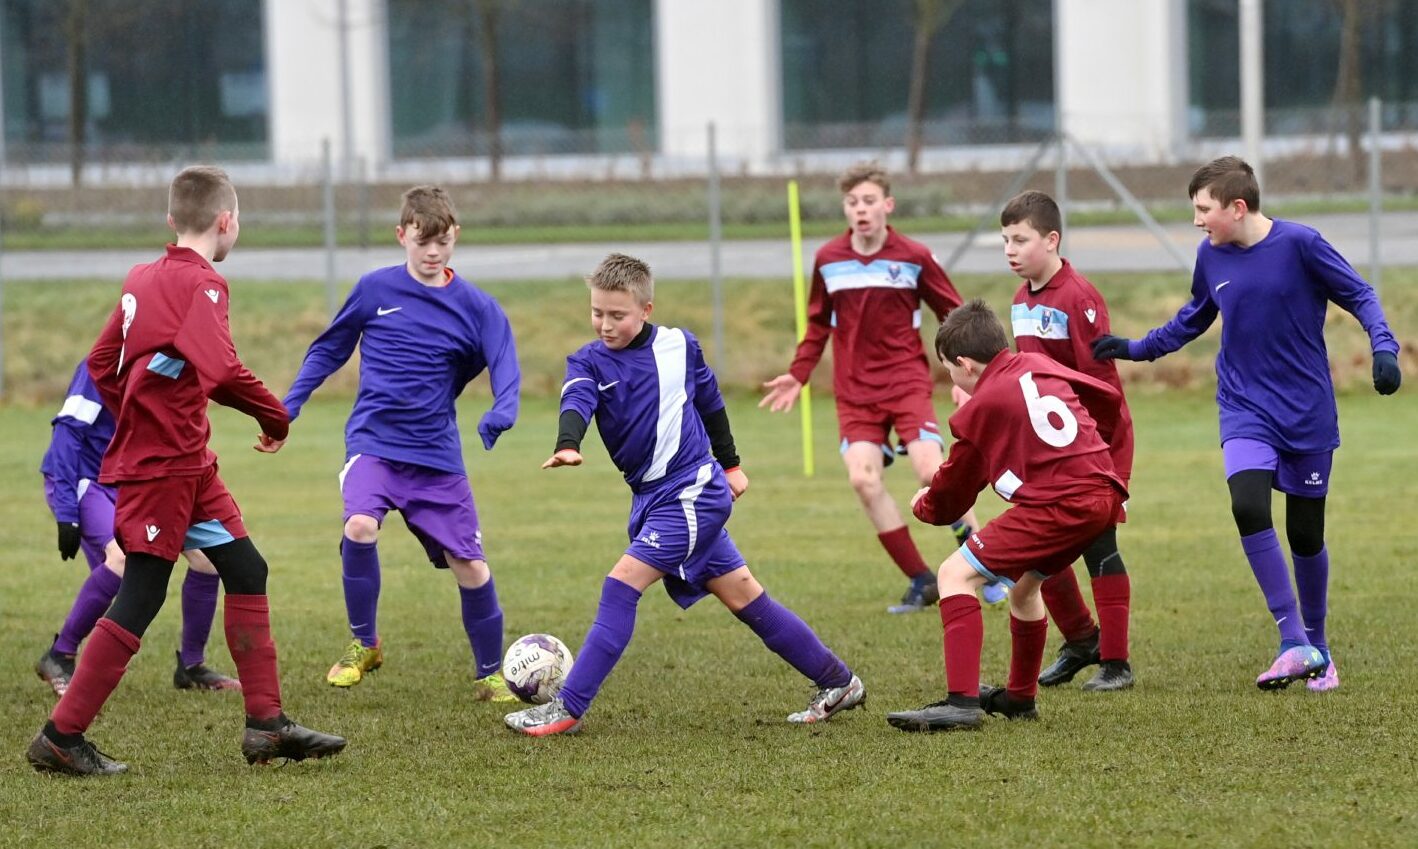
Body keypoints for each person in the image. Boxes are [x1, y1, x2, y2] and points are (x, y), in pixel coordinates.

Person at [26, 165, 345, 776]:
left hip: (191, 465)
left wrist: (140, 401)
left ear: (172, 221)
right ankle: (61, 736)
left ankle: (266, 725)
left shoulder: (142, 277)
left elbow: (101, 360)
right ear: (227, 222)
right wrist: (276, 419)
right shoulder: (205, 285)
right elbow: (222, 371)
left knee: (246, 567)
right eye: (237, 221)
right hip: (162, 468)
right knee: (142, 590)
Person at [504, 253, 865, 736]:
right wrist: (567, 445)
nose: (605, 325)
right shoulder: (587, 359)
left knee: (621, 584)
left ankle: (567, 707)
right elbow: (576, 401)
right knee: (746, 598)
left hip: (693, 490)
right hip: (654, 496)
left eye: (617, 315)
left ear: (646, 309)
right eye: (597, 313)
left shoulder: (680, 346)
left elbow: (711, 404)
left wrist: (732, 465)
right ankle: (838, 682)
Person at [1092, 156, 1402, 692]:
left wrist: (1384, 348)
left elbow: (1361, 295)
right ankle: (1291, 641)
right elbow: (1195, 316)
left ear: (1238, 207)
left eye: (1203, 209)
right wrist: (1137, 348)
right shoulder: (1210, 256)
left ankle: (1319, 649)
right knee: (1247, 504)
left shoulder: (1302, 244)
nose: (1197, 221)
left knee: (1306, 535)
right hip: (1243, 406)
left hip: (1305, 410)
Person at [283, 185, 520, 699]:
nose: (432, 252)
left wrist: (504, 408)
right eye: (422, 241)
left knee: (471, 566)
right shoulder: (374, 290)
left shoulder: (477, 307)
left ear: (455, 235)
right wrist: (290, 405)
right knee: (361, 525)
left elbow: (504, 359)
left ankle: (489, 673)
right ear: (402, 236)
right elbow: (329, 350)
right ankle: (363, 643)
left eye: (442, 241)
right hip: (374, 442)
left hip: (435, 455)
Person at [886, 301, 1128, 732]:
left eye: (948, 369)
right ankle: (1019, 697)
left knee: (954, 575)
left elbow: (951, 498)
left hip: (1061, 505)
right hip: (1103, 494)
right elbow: (1105, 395)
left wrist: (923, 502)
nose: (950, 379)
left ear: (964, 364)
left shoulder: (981, 408)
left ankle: (960, 704)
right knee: (1026, 587)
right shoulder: (1037, 363)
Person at [760, 162, 981, 615]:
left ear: (887, 205)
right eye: (852, 203)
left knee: (930, 472)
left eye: (868, 201)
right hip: (856, 390)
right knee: (862, 479)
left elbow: (955, 315)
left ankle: (982, 559)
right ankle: (921, 581)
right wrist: (798, 373)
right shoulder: (829, 259)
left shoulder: (913, 256)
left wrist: (972, 375)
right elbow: (818, 324)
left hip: (905, 381)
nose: (860, 210)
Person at [36, 358, 240, 697]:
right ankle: (60, 655)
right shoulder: (102, 364)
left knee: (206, 557)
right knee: (122, 560)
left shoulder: (165, 361)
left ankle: (191, 667)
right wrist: (66, 511)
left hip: (137, 480)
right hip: (85, 479)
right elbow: (68, 432)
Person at [1000, 190, 1135, 692]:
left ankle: (1116, 662)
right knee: (1043, 539)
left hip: (1094, 445)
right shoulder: (1019, 302)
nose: (1011, 250)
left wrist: (1093, 452)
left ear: (1051, 239)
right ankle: (1081, 640)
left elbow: (1102, 387)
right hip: (1050, 445)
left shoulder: (1079, 297)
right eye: (1005, 241)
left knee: (1099, 543)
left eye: (1021, 239)